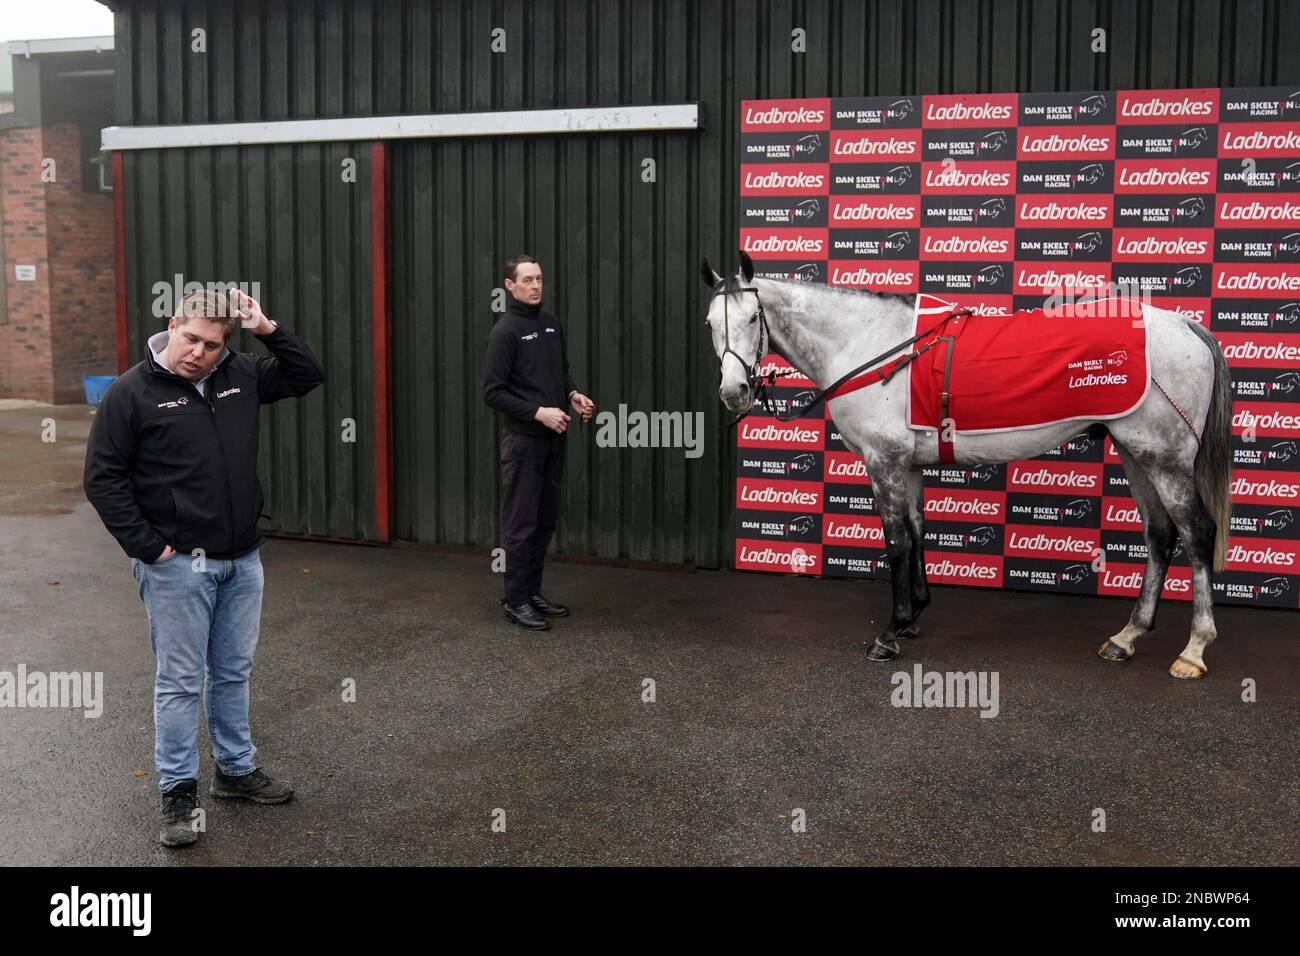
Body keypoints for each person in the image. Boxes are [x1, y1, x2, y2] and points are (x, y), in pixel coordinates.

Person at [83, 287, 325, 847]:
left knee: (234, 671)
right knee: (179, 683)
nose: (198, 353)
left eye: (212, 345)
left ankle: (235, 772)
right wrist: (148, 547)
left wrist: (267, 327)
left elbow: (307, 375)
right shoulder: (131, 392)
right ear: (172, 324)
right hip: (176, 568)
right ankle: (178, 794)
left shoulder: (239, 374)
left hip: (242, 558)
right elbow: (103, 478)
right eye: (190, 338)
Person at [483, 255, 595, 631]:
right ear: (510, 286)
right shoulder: (505, 331)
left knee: (545, 521)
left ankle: (532, 592)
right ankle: (515, 600)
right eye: (527, 280)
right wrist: (537, 413)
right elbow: (492, 392)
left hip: (554, 441)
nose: (536, 286)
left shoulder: (550, 325)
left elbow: (560, 373)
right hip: (523, 443)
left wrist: (574, 394)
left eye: (539, 279)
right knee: (521, 524)